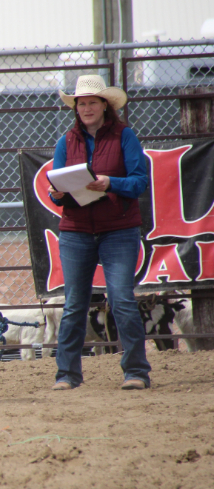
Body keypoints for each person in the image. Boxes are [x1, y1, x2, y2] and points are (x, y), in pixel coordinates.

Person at [47, 74, 151, 391]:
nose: (87, 108)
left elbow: (139, 182)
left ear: (105, 105)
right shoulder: (66, 142)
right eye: (81, 103)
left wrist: (110, 183)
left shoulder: (124, 136)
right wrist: (57, 194)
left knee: (121, 300)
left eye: (92, 102)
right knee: (74, 305)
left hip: (118, 229)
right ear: (76, 108)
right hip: (76, 229)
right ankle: (67, 375)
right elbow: (57, 188)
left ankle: (136, 372)